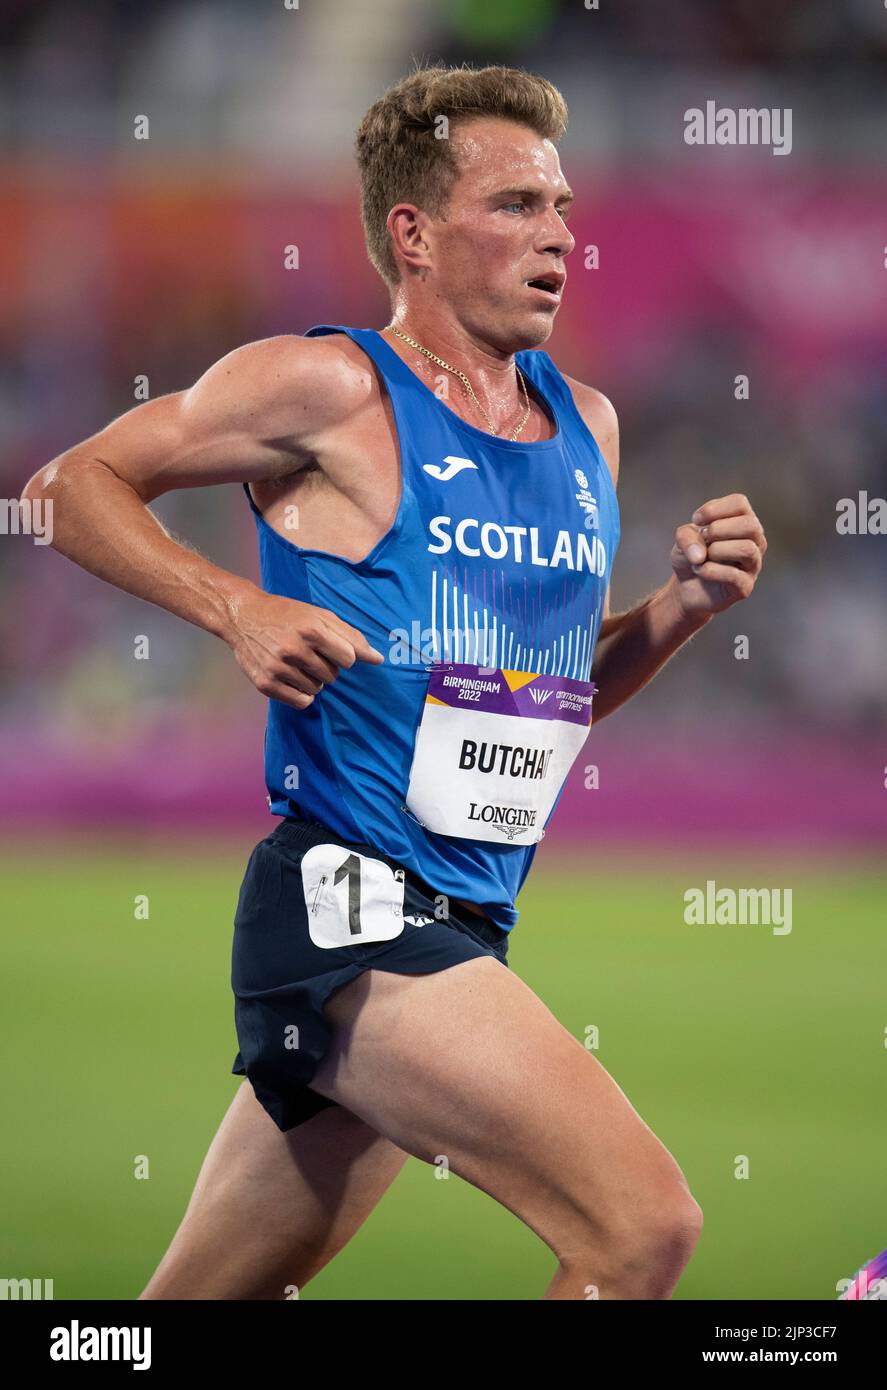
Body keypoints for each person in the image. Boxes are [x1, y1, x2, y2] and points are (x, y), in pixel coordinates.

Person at [22, 64, 766, 1300]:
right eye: (518, 206)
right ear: (412, 235)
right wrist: (236, 606)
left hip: (467, 918)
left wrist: (683, 609)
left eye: (564, 207)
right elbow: (64, 486)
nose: (562, 238)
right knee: (643, 1229)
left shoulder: (588, 427)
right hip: (350, 908)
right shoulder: (330, 387)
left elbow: (546, 696)